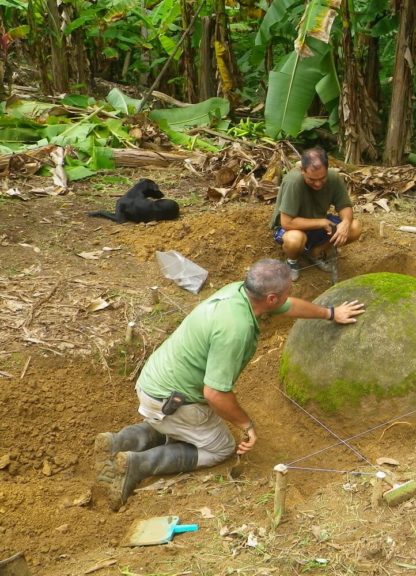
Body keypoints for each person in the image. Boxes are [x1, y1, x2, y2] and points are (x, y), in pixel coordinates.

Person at [93, 259, 364, 511]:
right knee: (220, 447)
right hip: (172, 400)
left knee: (180, 423)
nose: (287, 296)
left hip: (155, 381)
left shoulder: (238, 292)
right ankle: (138, 464)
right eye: (285, 291)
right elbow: (215, 393)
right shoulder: (237, 329)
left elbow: (289, 305)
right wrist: (246, 425)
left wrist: (330, 312)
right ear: (271, 298)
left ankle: (121, 441)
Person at [271, 146, 362, 281]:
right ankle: (292, 262)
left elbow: (345, 206)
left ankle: (316, 252)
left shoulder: (333, 178)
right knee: (294, 239)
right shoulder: (293, 182)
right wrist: (322, 222)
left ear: (327, 169)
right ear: (303, 171)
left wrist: (345, 222)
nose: (318, 183)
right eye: (312, 180)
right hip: (291, 228)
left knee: (355, 227)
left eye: (322, 178)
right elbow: (287, 222)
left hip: (319, 224)